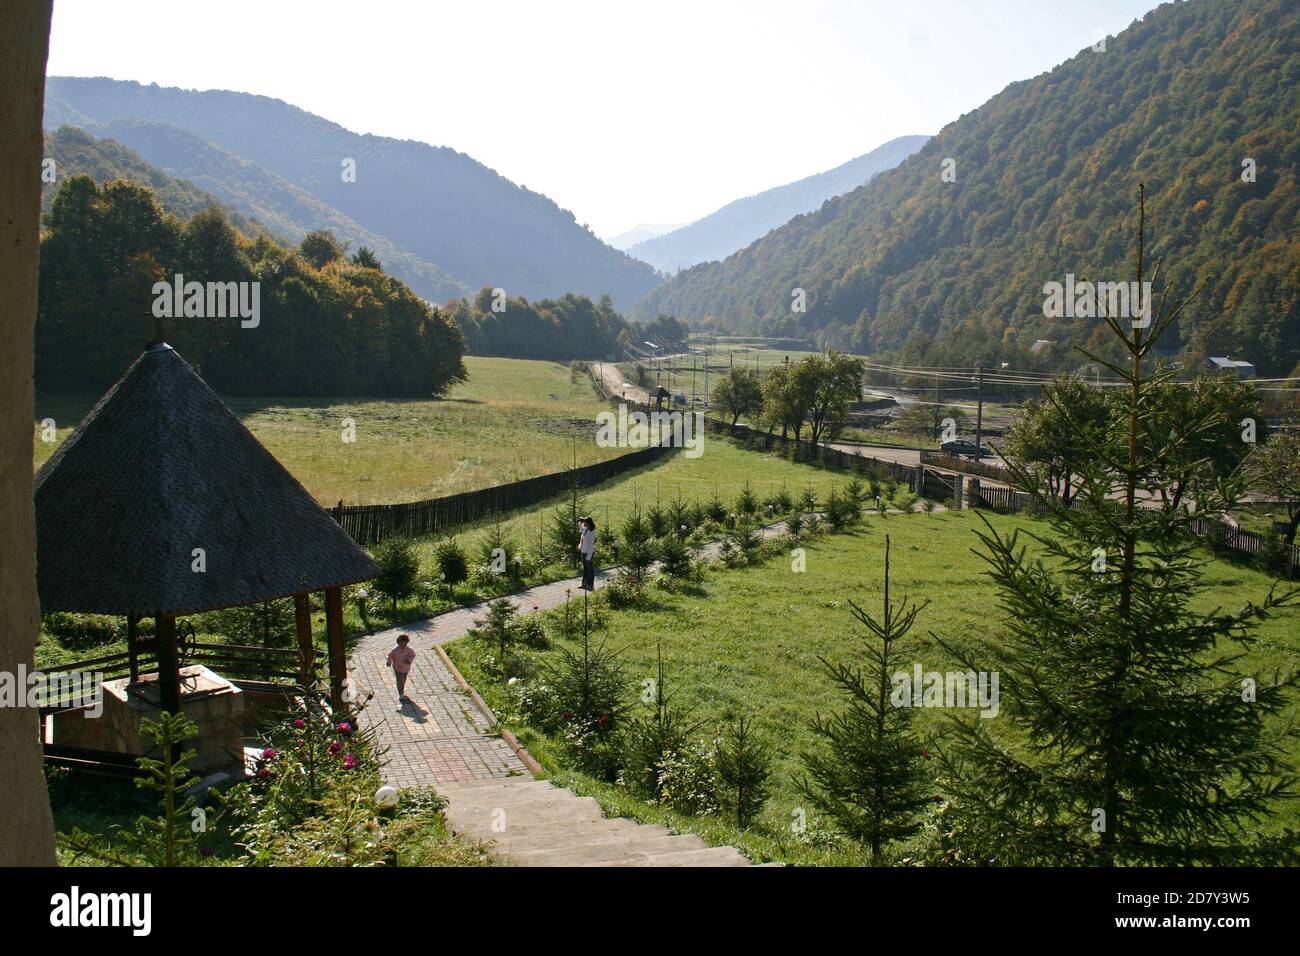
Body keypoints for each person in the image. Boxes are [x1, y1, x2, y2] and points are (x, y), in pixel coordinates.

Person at [385, 633, 416, 700]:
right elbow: (389, 656)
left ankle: (401, 689)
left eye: (405, 644)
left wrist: (409, 660)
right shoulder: (395, 650)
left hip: (406, 668)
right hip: (397, 667)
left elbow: (413, 655)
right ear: (398, 643)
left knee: (403, 680)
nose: (403, 646)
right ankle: (401, 694)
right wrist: (389, 662)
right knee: (400, 681)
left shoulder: (409, 650)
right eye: (401, 644)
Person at [578, 516, 597, 590]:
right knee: (585, 569)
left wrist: (589, 556)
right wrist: (580, 521)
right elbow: (580, 529)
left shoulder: (592, 532)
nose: (583, 523)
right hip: (583, 552)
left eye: (584, 522)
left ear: (588, 523)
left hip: (588, 554)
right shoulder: (585, 530)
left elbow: (591, 545)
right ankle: (584, 584)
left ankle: (590, 585)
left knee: (590, 570)